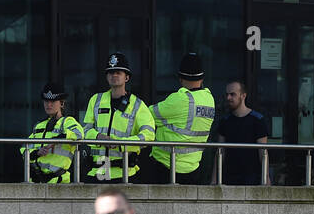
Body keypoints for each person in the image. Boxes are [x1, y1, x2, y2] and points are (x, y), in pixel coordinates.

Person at [139, 53, 215, 185]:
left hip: (167, 166)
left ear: (180, 78)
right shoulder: (209, 99)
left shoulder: (180, 99)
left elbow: (146, 114)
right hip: (193, 168)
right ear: (202, 79)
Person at [79, 52, 155, 183]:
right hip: (97, 172)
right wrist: (99, 137)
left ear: (127, 78)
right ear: (107, 76)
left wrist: (121, 143)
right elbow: (85, 131)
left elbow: (148, 135)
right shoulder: (96, 100)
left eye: (118, 72)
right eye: (111, 72)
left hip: (124, 173)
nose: (114, 75)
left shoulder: (137, 105)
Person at [22, 80, 83, 184]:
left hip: (59, 182)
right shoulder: (39, 125)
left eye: (53, 102)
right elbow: (24, 149)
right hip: (37, 181)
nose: (48, 105)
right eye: (46, 101)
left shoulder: (67, 121)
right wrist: (36, 153)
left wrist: (56, 140)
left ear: (62, 103)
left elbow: (79, 134)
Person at [211, 80, 269, 186]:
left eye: (232, 94)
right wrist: (214, 179)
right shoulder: (225, 121)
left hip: (252, 177)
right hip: (229, 177)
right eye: (227, 94)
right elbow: (220, 152)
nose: (228, 98)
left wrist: (266, 178)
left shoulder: (257, 120)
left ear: (243, 96)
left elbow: (263, 152)